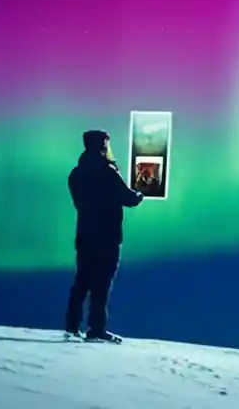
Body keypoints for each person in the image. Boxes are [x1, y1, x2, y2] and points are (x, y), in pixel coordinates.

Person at [65, 129, 144, 342]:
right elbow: (128, 198)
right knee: (101, 285)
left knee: (82, 280)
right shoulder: (107, 172)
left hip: (84, 235)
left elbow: (78, 202)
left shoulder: (76, 174)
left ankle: (71, 326)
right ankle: (96, 329)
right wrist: (140, 193)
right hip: (107, 238)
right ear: (102, 145)